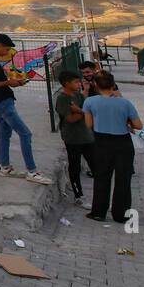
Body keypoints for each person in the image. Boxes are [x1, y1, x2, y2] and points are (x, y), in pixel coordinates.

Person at [0, 34, 52, 185]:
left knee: (5, 134)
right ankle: (32, 171)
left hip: (4, 100)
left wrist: (14, 82)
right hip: (2, 103)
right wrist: (8, 83)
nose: (7, 52)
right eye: (6, 49)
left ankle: (5, 167)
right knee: (25, 134)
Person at [82, 71, 143, 223]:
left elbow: (88, 124)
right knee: (123, 179)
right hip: (123, 142)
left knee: (101, 177)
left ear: (95, 84)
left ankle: (98, 212)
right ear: (113, 84)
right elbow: (138, 125)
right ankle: (121, 214)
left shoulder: (90, 102)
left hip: (101, 142)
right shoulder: (125, 103)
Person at [53, 70, 93, 207]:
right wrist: (83, 112)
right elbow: (70, 119)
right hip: (72, 138)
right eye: (75, 82)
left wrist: (79, 110)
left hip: (87, 136)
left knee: (95, 164)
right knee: (74, 166)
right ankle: (78, 195)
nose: (79, 84)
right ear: (66, 83)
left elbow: (89, 110)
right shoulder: (62, 99)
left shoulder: (78, 96)